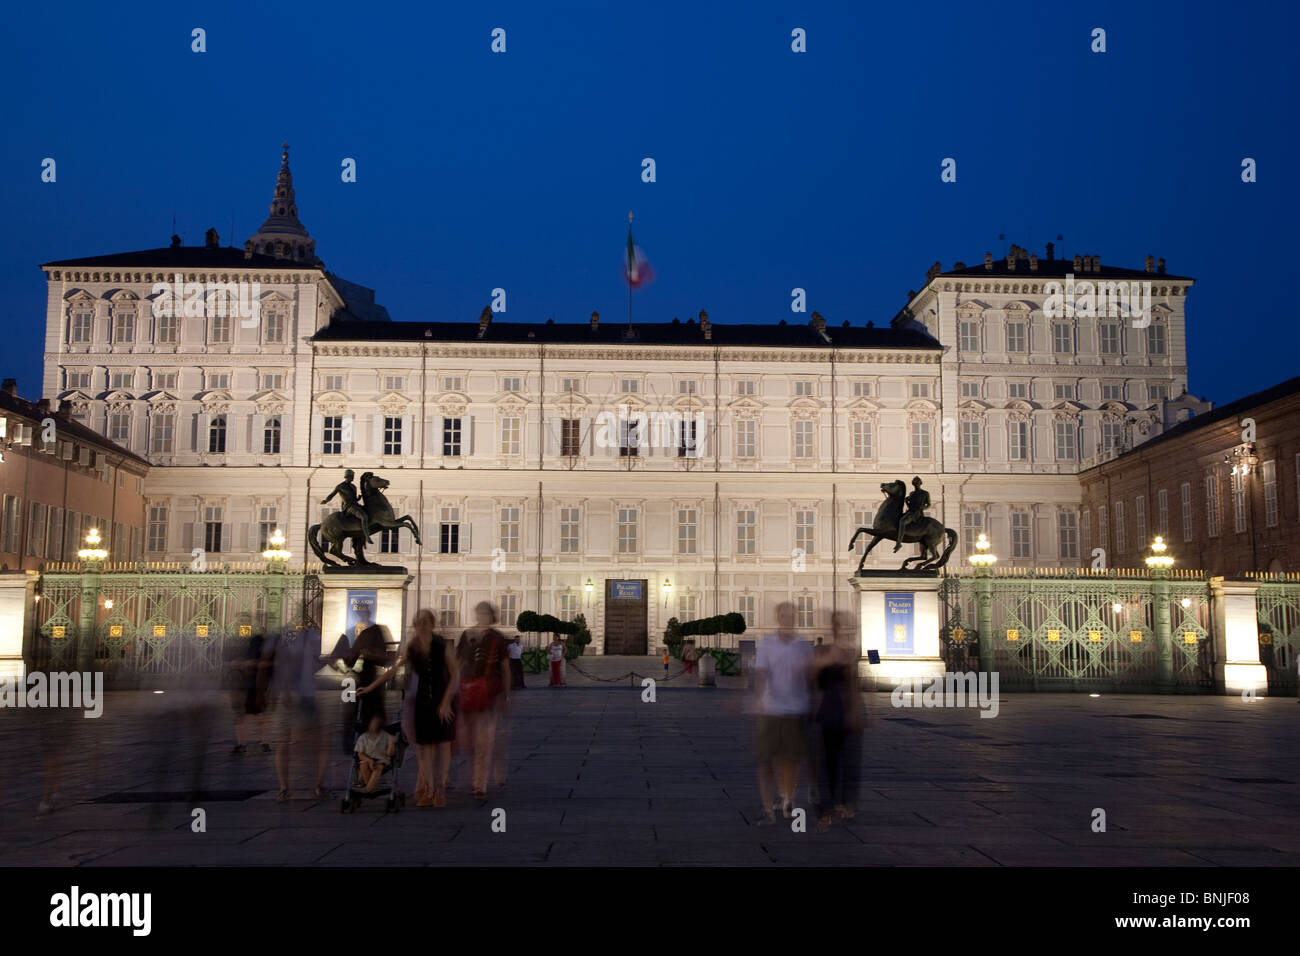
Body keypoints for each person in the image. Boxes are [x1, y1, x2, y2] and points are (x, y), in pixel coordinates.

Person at [362, 609, 456, 807]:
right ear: (415, 625)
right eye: (419, 622)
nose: (422, 626)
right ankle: (429, 790)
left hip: (441, 698)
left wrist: (447, 702)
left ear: (432, 624)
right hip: (422, 701)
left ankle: (440, 790)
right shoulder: (413, 646)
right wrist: (371, 687)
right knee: (425, 747)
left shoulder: (441, 644)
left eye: (425, 622)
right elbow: (394, 670)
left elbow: (455, 674)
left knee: (443, 744)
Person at [753, 601, 813, 826]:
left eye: (791, 615)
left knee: (790, 759)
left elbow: (810, 675)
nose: (788, 618)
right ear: (778, 617)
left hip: (796, 709)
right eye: (784, 615)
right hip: (770, 708)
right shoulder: (767, 644)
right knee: (766, 760)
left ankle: (788, 798)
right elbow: (761, 673)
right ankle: (768, 807)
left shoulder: (803, 645)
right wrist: (758, 698)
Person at [811, 611, 864, 831]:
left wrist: (855, 711)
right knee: (830, 761)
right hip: (829, 710)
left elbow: (853, 685)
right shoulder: (825, 652)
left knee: (849, 761)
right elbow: (812, 679)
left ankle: (843, 802)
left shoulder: (851, 653)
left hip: (844, 710)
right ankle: (829, 805)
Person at [456, 603, 511, 798]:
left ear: (491, 615)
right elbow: (458, 663)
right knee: (470, 740)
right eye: (480, 612)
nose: (482, 616)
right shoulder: (467, 635)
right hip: (469, 691)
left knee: (484, 739)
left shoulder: (498, 638)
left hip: (490, 693)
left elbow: (505, 668)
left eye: (486, 613)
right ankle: (488, 770)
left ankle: (479, 783)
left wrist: (506, 695)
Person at [229, 631, 271, 754]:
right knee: (259, 716)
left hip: (249, 688)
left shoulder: (249, 656)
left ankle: (243, 744)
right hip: (257, 689)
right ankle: (264, 742)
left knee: (243, 717)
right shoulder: (263, 657)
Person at [321, 468, 374, 541]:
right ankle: (367, 536)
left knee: (369, 512)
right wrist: (326, 500)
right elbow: (332, 495)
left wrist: (358, 499)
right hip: (349, 507)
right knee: (363, 517)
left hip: (355, 505)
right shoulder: (340, 486)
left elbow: (353, 498)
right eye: (351, 477)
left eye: (352, 477)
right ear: (346, 477)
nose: (352, 479)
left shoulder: (353, 486)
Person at [354, 713, 396, 792]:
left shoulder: (387, 736)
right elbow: (360, 754)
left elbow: (389, 754)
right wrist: (369, 761)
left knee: (378, 766)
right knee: (363, 766)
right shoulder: (363, 737)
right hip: (366, 759)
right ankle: (372, 787)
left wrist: (391, 744)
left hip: (382, 759)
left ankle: (368, 789)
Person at [894, 475, 930, 552]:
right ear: (913, 484)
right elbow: (910, 505)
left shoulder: (925, 493)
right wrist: (907, 501)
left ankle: (898, 543)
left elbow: (929, 504)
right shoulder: (912, 494)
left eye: (917, 482)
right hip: (910, 511)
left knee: (902, 522)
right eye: (915, 482)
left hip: (917, 513)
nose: (916, 484)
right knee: (897, 519)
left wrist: (922, 507)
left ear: (920, 483)